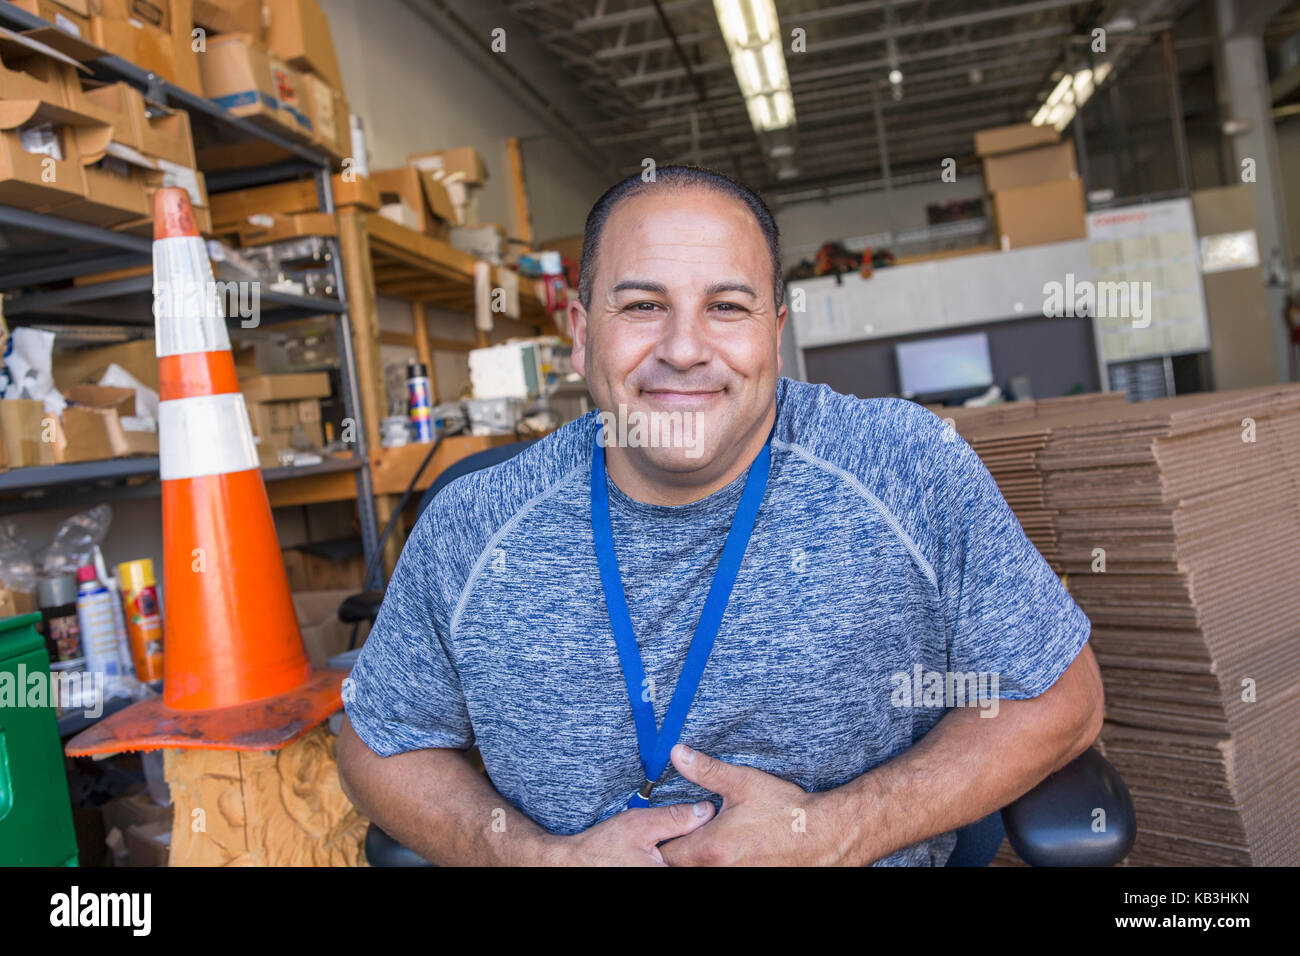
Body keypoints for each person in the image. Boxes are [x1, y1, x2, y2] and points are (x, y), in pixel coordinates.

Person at [337, 165, 1104, 866]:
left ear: (775, 332)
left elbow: (1063, 700)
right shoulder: (474, 525)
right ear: (579, 335)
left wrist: (832, 834)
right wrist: (534, 858)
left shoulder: (906, 466)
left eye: (726, 307)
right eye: (642, 305)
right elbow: (379, 745)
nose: (682, 348)